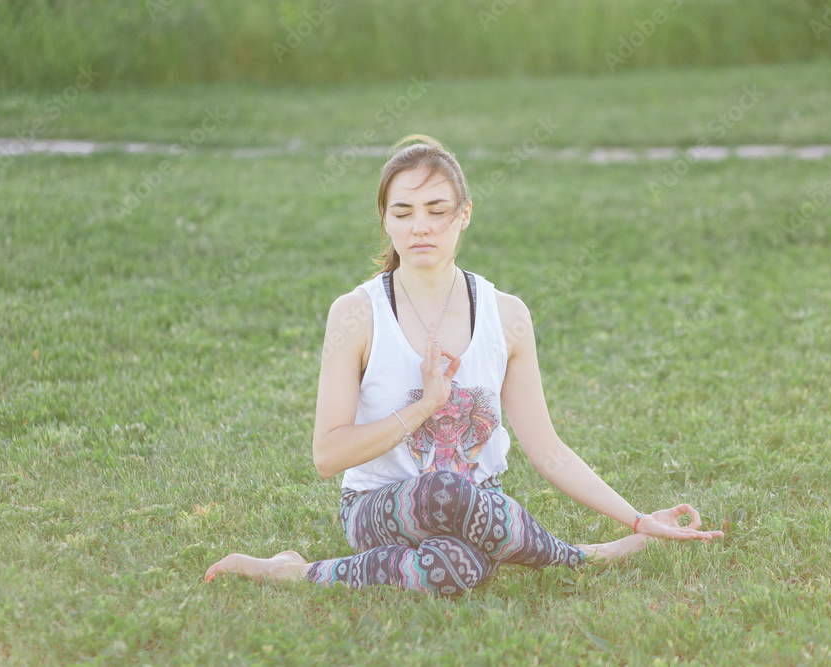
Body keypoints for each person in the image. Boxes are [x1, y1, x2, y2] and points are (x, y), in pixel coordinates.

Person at [204, 135, 723, 594]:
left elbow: (548, 450)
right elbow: (326, 455)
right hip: (377, 508)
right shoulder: (357, 315)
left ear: (464, 215)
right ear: (385, 219)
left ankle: (295, 571)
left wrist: (635, 517)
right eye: (403, 212)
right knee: (447, 490)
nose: (420, 226)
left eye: (437, 210)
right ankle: (585, 556)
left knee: (458, 568)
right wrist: (426, 405)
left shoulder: (507, 316)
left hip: (480, 507)